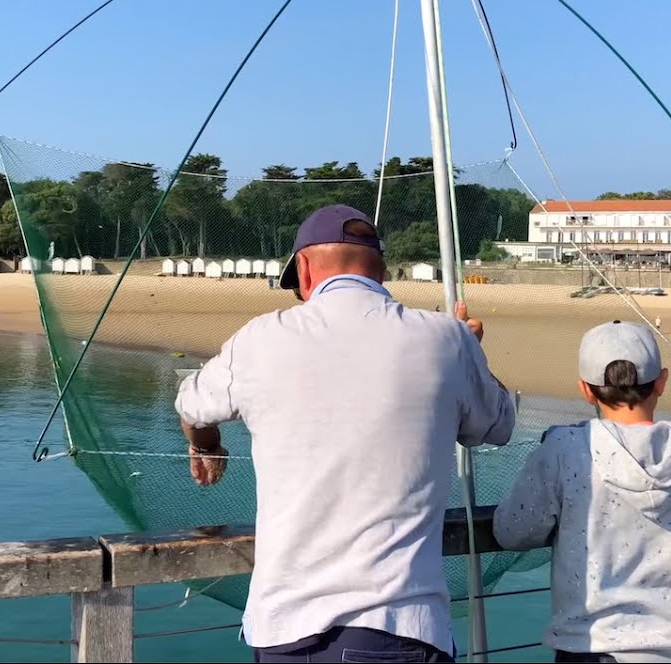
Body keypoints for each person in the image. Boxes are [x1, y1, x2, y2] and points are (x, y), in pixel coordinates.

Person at [174, 204, 516, 663]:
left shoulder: (260, 340)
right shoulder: (445, 340)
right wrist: (474, 355)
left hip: (285, 629)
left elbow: (190, 404)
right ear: (382, 270)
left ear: (306, 269)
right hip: (402, 626)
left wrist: (207, 445)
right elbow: (499, 425)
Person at [494, 320, 671, 664]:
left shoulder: (565, 448)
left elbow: (512, 531)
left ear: (586, 390)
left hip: (590, 646)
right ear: (661, 382)